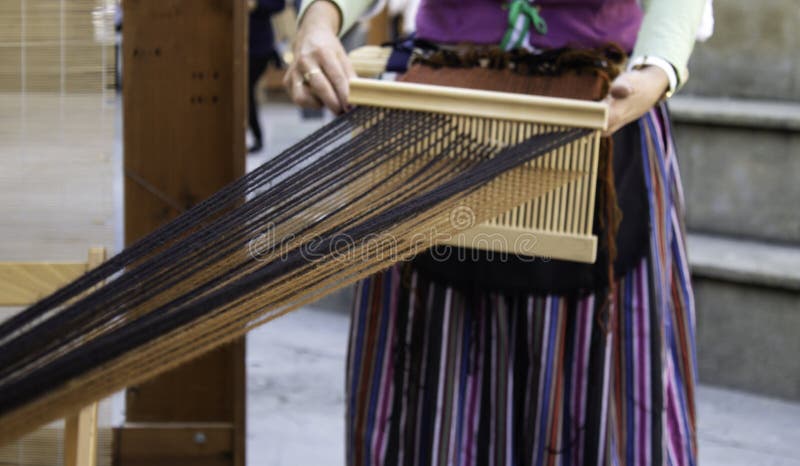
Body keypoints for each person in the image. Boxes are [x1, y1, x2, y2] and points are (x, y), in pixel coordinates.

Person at [285, 0, 706, 464]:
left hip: (601, 120)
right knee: (430, 394)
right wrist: (319, 19)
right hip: (438, 117)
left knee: (591, 395)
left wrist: (657, 68)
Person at [248, 0, 286, 153]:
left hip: (259, 47)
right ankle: (256, 137)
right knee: (244, 92)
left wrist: (256, 5)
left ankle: (257, 138)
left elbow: (279, 4)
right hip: (234, 45)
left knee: (245, 91)